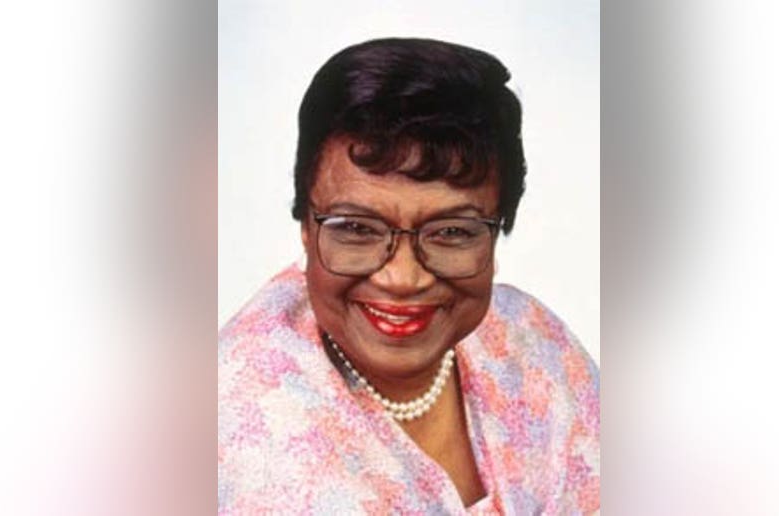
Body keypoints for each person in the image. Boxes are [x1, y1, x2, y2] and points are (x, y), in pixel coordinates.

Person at [219, 38, 599, 514]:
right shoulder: (241, 430)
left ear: (495, 232)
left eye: (451, 232)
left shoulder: (533, 344)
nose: (402, 278)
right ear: (306, 228)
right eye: (357, 228)